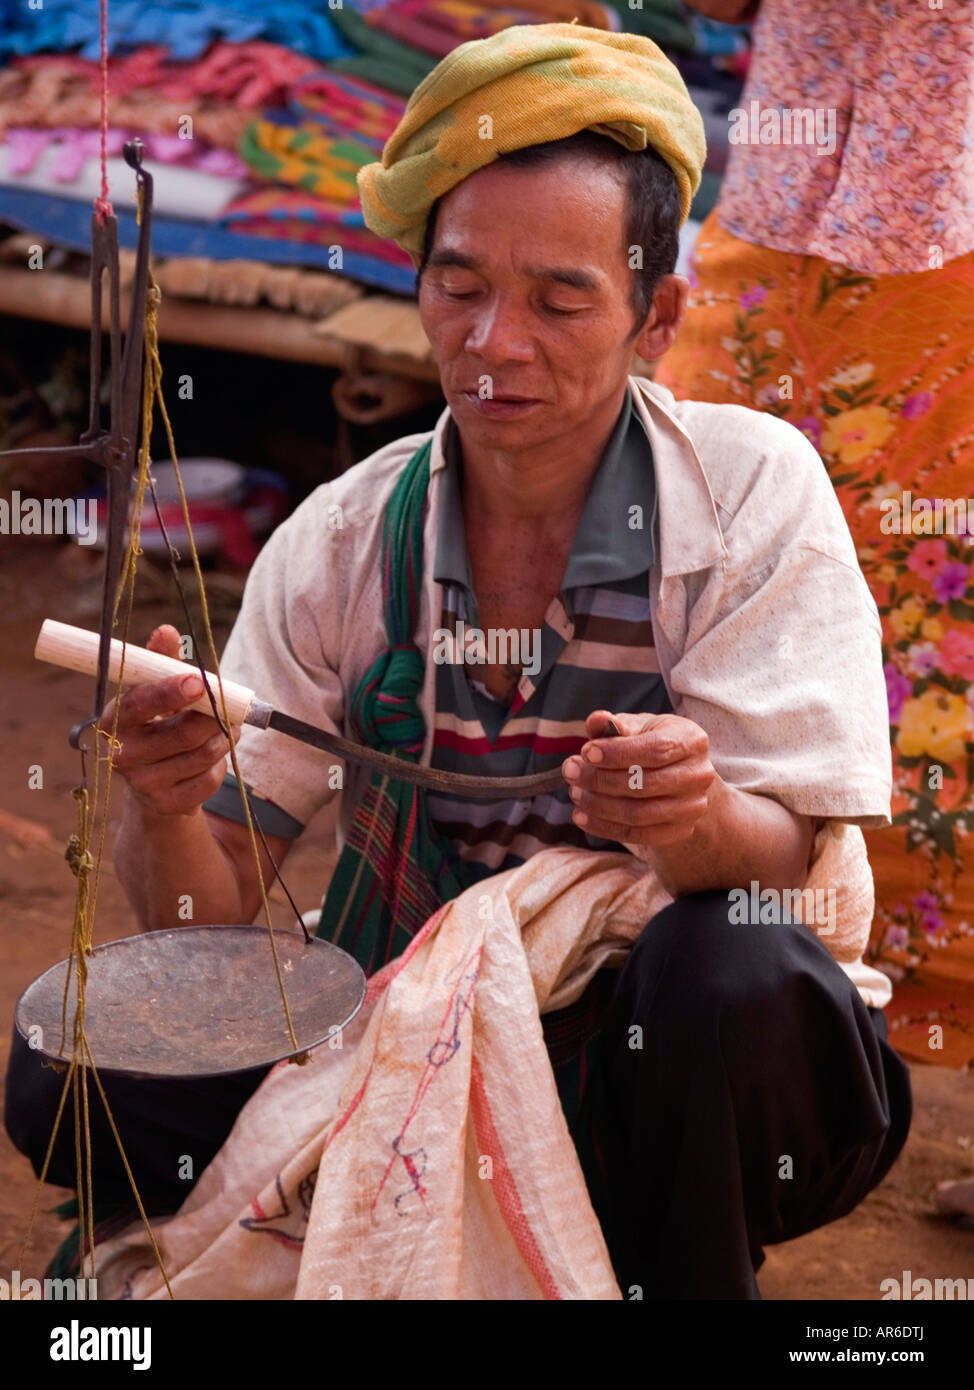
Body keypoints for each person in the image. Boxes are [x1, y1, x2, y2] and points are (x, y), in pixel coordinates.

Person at [6, 23, 911, 1299]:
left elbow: (782, 870)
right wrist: (163, 803)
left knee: (732, 967)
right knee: (76, 1055)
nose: (493, 342)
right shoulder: (338, 539)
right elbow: (208, 919)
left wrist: (695, 814)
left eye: (560, 296)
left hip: (646, 1065)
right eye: (459, 284)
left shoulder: (748, 491)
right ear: (416, 283)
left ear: (656, 311)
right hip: (413, 1029)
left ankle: (683, 1270)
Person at [660, 0, 974, 1067]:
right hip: (787, 226)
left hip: (932, 248)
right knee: (707, 581)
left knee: (940, 656)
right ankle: (757, 1040)